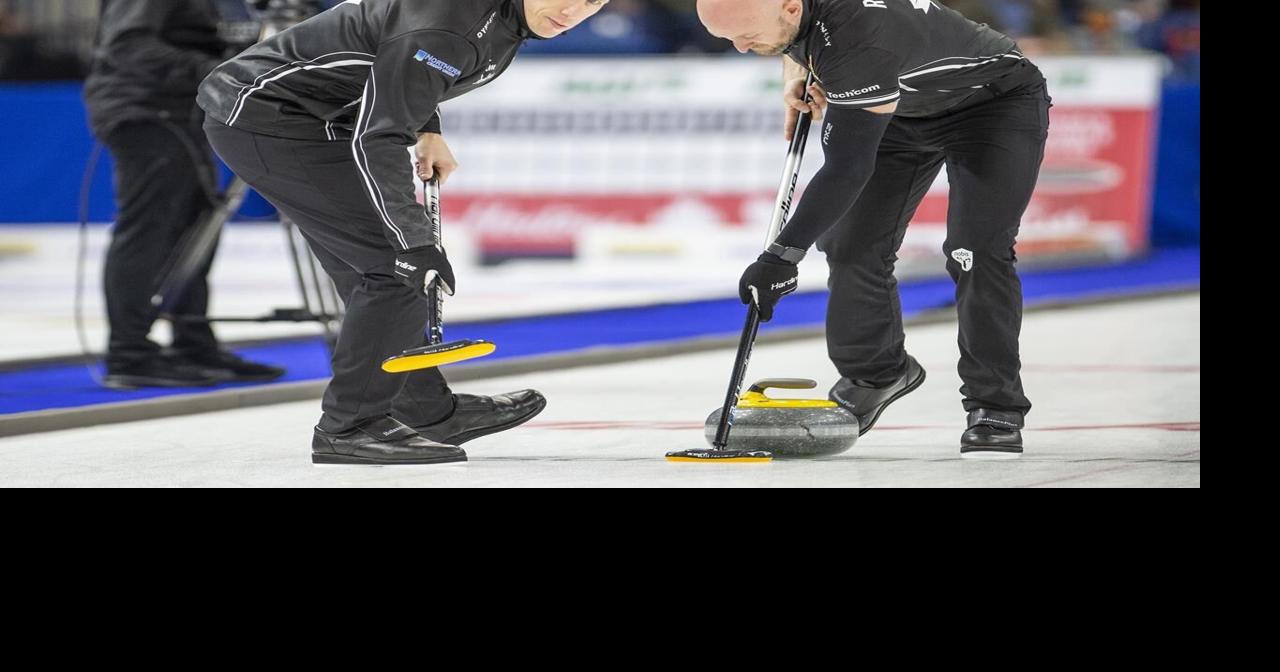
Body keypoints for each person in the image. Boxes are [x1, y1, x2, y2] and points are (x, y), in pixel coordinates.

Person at [198, 0, 611, 465]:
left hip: (320, 116)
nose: (575, 9)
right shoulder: (454, 23)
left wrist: (428, 127)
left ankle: (426, 410)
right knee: (394, 269)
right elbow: (380, 134)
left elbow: (401, 69)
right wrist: (414, 241)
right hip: (268, 115)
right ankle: (349, 427)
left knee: (375, 272)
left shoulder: (508, 17)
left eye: (595, 2)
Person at [698, 0, 1052, 457]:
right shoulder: (796, 16)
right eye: (729, 40)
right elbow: (800, 38)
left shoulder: (861, 38)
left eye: (745, 36)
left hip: (993, 103)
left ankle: (994, 403)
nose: (742, 49)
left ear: (788, 7)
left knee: (975, 249)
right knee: (848, 243)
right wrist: (796, 76)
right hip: (900, 109)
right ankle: (878, 373)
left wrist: (780, 257)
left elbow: (847, 167)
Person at [84, 0, 286, 389]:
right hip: (146, 112)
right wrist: (220, 71)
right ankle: (129, 353)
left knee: (197, 231)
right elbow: (127, 46)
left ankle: (192, 344)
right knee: (148, 229)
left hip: (184, 112)